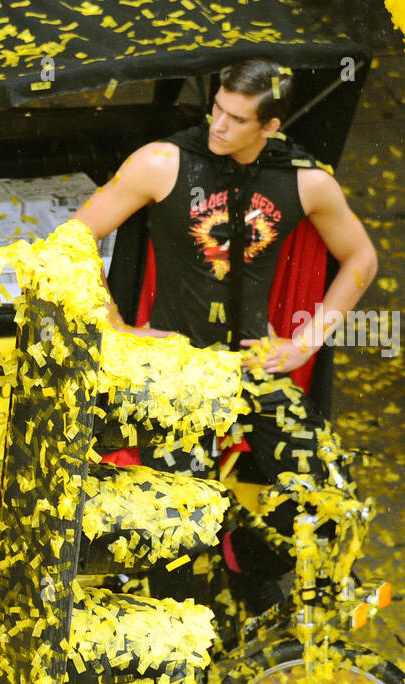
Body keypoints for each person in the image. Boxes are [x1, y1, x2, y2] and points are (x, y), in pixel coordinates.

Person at [72, 58, 379, 608]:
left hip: (251, 365)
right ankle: (175, 632)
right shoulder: (161, 163)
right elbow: (72, 239)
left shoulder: (305, 180)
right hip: (176, 369)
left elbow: (361, 259)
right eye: (216, 109)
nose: (218, 125)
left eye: (237, 119)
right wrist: (116, 327)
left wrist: (306, 341)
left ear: (271, 126)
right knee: (178, 531)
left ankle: (244, 560)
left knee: (331, 500)